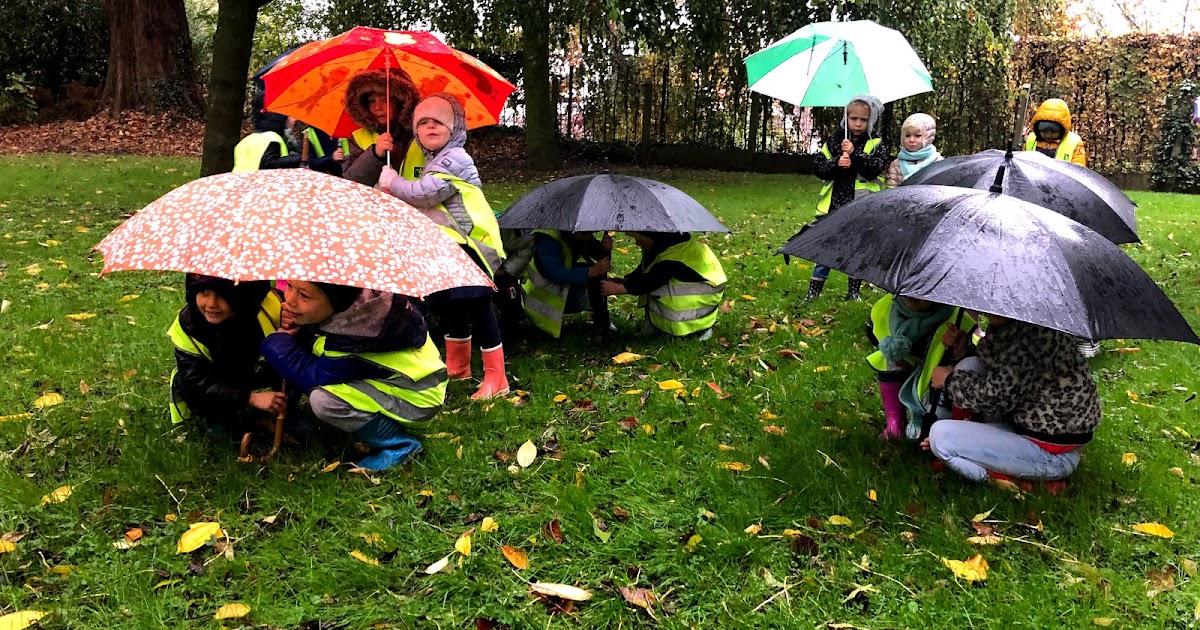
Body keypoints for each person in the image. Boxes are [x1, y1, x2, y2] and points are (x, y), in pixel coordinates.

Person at [386, 93, 511, 399]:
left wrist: (392, 182)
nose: (430, 128)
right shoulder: (435, 158)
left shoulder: (455, 158)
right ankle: (458, 368)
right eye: (423, 123)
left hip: (470, 247)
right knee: (453, 305)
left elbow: (427, 193)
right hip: (447, 247)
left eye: (438, 122)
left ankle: (498, 378)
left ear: (454, 128)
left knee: (479, 306)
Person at [260, 281, 446, 472]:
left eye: (304, 295)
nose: (289, 300)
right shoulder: (359, 307)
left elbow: (313, 376)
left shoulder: (357, 337)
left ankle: (399, 445)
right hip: (415, 382)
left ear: (335, 300)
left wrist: (278, 343)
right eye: (289, 286)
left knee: (324, 400)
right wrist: (300, 325)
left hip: (416, 398)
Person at [924, 314, 1101, 485]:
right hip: (1028, 425)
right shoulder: (1023, 323)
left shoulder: (1029, 339)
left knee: (941, 436)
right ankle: (970, 446)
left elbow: (996, 398)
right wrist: (961, 351)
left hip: (1052, 454)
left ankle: (1005, 480)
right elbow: (1001, 373)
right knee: (969, 365)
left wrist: (949, 381)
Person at [168, 275, 286, 435]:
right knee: (187, 384)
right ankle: (219, 418)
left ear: (244, 295)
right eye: (203, 292)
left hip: (258, 368)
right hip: (216, 378)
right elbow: (194, 378)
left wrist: (292, 330)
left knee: (290, 360)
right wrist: (250, 398)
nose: (211, 304)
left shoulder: (272, 307)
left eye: (223, 294)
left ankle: (284, 410)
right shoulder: (189, 324)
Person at [806, 94, 888, 301]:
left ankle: (853, 292)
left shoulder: (876, 142)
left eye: (864, 119)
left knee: (857, 248)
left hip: (861, 205)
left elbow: (875, 169)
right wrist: (836, 163)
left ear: (871, 120)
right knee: (826, 247)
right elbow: (818, 167)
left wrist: (855, 155)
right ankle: (814, 291)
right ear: (846, 118)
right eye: (854, 119)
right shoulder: (835, 140)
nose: (858, 123)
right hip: (835, 204)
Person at [865, 294, 972, 440]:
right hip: (902, 363)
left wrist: (957, 352)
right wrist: (895, 354)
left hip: (935, 378)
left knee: (936, 415)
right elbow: (873, 332)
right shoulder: (886, 307)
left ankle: (926, 420)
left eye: (923, 291)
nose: (912, 294)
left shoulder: (955, 318)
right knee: (887, 362)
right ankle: (895, 423)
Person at [601, 231, 725, 340]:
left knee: (656, 286)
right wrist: (627, 280)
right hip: (705, 311)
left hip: (686, 317)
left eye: (640, 239)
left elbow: (650, 281)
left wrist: (619, 289)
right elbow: (648, 269)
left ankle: (663, 328)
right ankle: (702, 329)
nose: (638, 243)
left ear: (654, 237)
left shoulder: (672, 259)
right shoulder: (678, 246)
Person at [521, 230, 613, 339]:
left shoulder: (577, 233)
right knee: (580, 300)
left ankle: (601, 321)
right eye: (584, 234)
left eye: (591, 233)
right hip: (536, 298)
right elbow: (555, 273)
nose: (588, 237)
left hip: (552, 290)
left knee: (591, 273)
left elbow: (597, 255)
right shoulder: (547, 238)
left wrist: (604, 249)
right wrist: (590, 272)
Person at [340, 69, 423, 188]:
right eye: (372, 101)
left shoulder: (421, 133)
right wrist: (375, 154)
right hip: (376, 205)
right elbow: (351, 183)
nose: (378, 107)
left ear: (402, 101)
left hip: (416, 204)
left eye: (385, 100)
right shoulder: (359, 137)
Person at [232, 90, 340, 175]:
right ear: (279, 116)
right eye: (289, 113)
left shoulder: (246, 141)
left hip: (244, 194)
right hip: (265, 193)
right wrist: (299, 159)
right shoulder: (272, 139)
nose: (294, 119)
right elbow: (269, 164)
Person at [1024, 98, 1086, 166]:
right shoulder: (1031, 139)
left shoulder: (1074, 143)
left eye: (1053, 132)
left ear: (1062, 130)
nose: (1048, 135)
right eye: (1044, 131)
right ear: (1038, 129)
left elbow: (1079, 170)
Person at [884, 113, 942, 187]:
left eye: (917, 136)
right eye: (907, 135)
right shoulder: (896, 165)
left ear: (927, 137)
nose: (911, 140)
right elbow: (889, 192)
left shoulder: (937, 162)